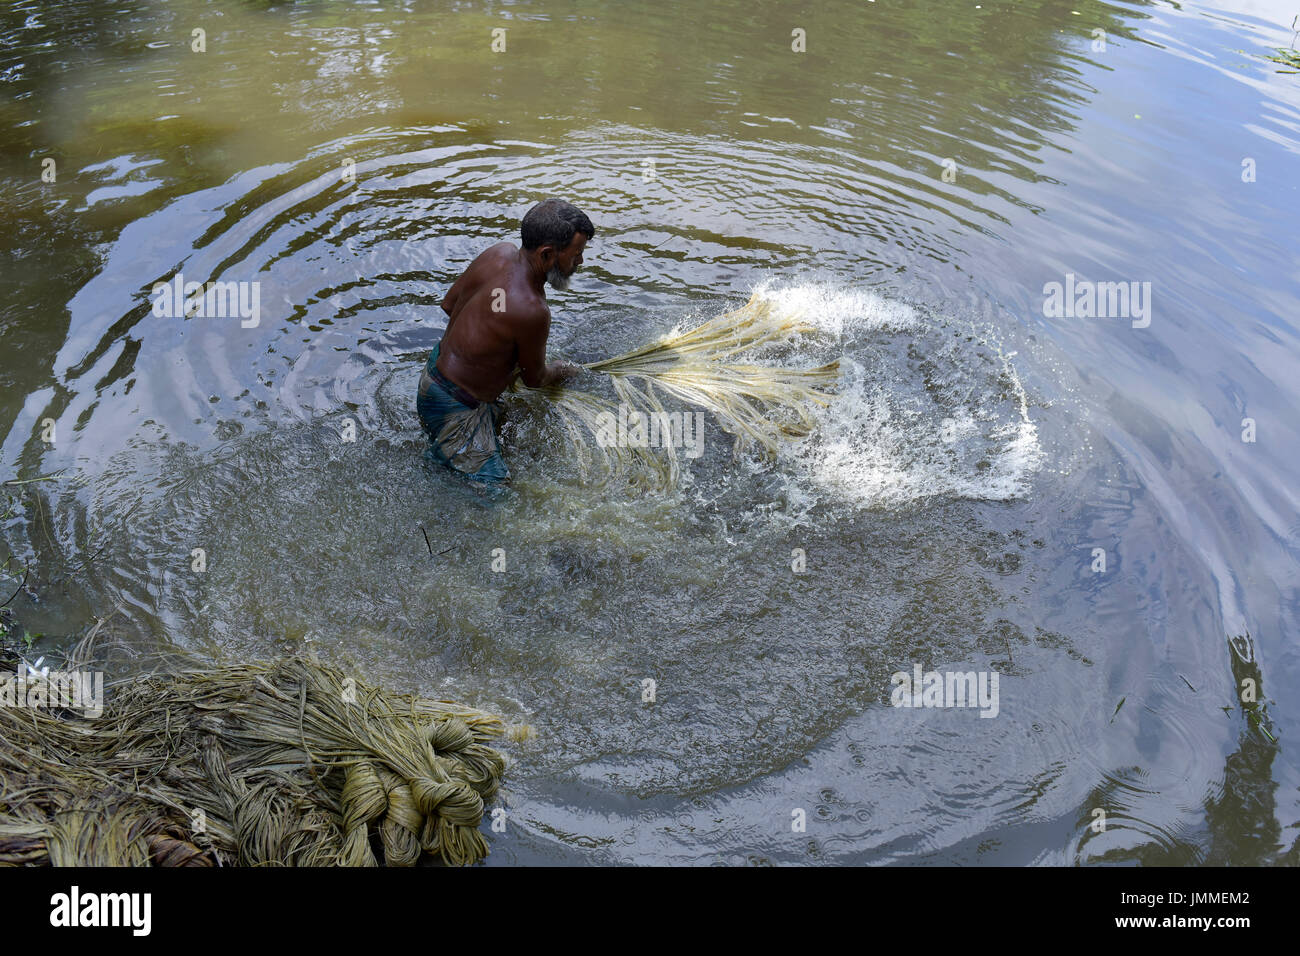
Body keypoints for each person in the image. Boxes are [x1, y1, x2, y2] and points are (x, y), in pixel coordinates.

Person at [417, 198, 595, 482]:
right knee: (496, 493)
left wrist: (485, 351)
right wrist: (563, 369)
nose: (580, 262)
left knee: (507, 434)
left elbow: (450, 305)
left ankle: (448, 452)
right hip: (455, 407)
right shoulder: (532, 309)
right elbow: (534, 379)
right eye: (576, 254)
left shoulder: (499, 253)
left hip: (432, 374)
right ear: (548, 254)